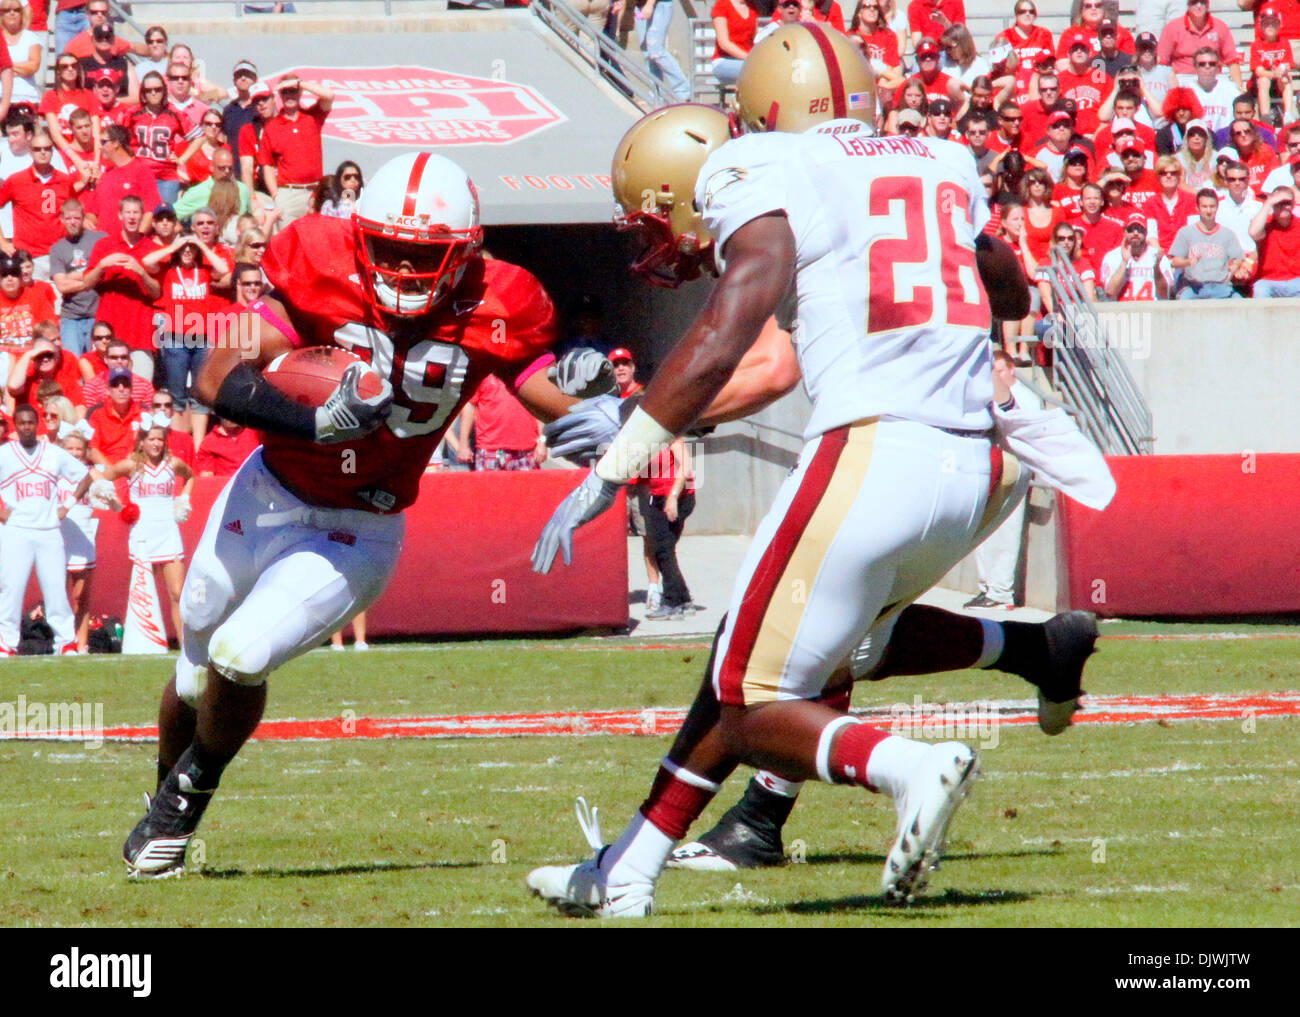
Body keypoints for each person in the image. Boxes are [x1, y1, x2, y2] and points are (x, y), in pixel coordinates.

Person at [527, 29, 1110, 906]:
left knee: (749, 701)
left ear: (763, 110)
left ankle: (908, 766)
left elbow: (733, 320)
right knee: (776, 656)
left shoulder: (763, 160)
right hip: (981, 463)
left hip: (874, 452)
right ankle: (626, 869)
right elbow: (1012, 289)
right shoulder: (942, 156)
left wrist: (618, 461)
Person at [122, 151, 584, 878]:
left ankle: (185, 801)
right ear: (357, 235)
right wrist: (314, 423)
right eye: (389, 250)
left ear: (464, 254)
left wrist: (620, 418)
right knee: (192, 668)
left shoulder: (500, 302)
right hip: (268, 488)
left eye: (421, 255)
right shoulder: (314, 259)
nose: (401, 270)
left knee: (243, 656)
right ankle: (162, 796)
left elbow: (550, 390)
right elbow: (215, 373)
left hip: (358, 525)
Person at [0, 403, 97, 656]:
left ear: (37, 423)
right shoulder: (6, 453)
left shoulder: (53, 452)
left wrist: (67, 505)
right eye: (21, 423)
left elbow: (85, 476)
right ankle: (7, 643)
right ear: (16, 425)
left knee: (55, 588)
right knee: (11, 588)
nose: (26, 427)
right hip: (17, 530)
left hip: (49, 530)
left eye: (30, 422)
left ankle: (65, 641)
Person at [101, 420, 194, 641]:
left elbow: (190, 476)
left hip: (168, 531)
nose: (156, 443)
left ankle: (184, 647)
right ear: (141, 442)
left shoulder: (173, 464)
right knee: (143, 595)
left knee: (178, 593)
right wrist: (119, 507)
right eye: (151, 439)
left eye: (160, 439)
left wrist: (183, 501)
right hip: (142, 534)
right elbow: (103, 480)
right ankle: (140, 642)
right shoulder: (130, 465)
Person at [965, 350, 1043, 609]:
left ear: (1011, 370)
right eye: (993, 371)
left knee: (1006, 534)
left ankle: (1000, 593)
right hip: (992, 466)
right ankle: (986, 587)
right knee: (984, 532)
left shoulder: (1025, 397)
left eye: (1000, 370)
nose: (996, 376)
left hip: (1014, 466)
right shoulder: (990, 395)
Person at [59, 426, 113, 652]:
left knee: (80, 595)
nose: (74, 453)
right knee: (58, 596)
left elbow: (110, 471)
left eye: (79, 449)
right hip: (58, 537)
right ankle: (61, 642)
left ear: (86, 451)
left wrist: (92, 453)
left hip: (83, 536)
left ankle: (82, 644)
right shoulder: (55, 473)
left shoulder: (93, 473)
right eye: (69, 448)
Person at [257, 75, 334, 229]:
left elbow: (329, 96)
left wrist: (301, 83)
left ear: (300, 93)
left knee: (315, 241)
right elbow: (267, 165)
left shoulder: (313, 117)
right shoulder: (271, 127)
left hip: (314, 192)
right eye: (285, 92)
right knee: (288, 243)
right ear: (280, 95)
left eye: (293, 91)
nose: (289, 95)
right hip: (288, 194)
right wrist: (275, 194)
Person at [1169, 187, 1245, 297]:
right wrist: (1188, 262)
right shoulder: (1186, 232)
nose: (1208, 211)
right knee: (1184, 301)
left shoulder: (1227, 234)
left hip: (1221, 286)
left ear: (1217, 208)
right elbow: (1175, 262)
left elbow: (1238, 258)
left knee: (1240, 303)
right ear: (1197, 209)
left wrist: (1231, 272)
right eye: (1204, 207)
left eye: (1212, 207)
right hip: (1194, 287)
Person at [1158, 0, 1243, 89]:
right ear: (1188, 4)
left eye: (1202, 2)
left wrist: (1239, 90)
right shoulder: (1173, 27)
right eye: (1194, 2)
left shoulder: (1219, 26)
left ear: (1208, 5)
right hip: (1183, 78)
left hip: (1212, 77)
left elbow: (1233, 62)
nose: (1199, 6)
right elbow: (1162, 64)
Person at [1101, 211, 1172, 299]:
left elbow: (1164, 294)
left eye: (1139, 229)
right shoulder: (1112, 257)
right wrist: (1124, 263)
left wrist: (1156, 268)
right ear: (1125, 232)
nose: (1135, 233)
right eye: (1131, 229)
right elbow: (1110, 292)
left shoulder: (1158, 257)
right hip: (1122, 311)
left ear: (1146, 233)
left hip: (1152, 309)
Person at [1248, 185, 1300, 295]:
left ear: (1293, 204)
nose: (1283, 206)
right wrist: (1269, 203)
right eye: (1278, 203)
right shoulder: (1266, 225)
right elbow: (1253, 232)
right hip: (1269, 281)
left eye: (1287, 203)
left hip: (1296, 279)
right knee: (1260, 289)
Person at [712, 0, 757, 87]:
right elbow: (724, 43)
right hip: (724, 61)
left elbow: (755, 39)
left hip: (748, 62)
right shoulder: (722, 5)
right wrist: (749, 58)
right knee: (756, 70)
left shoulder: (751, 6)